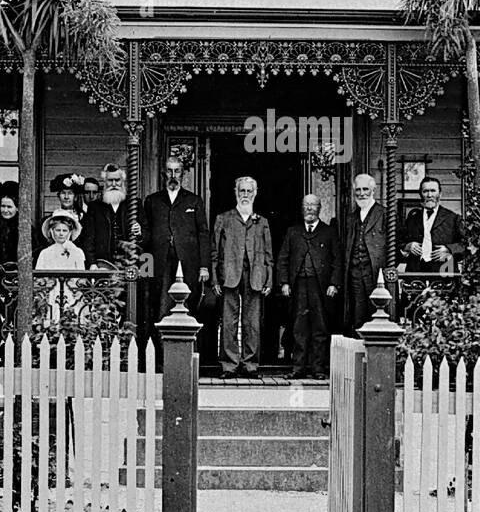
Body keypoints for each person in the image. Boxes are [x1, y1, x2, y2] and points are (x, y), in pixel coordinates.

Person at [212, 176, 273, 377]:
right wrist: (214, 278)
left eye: (249, 191)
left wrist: (269, 278)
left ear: (255, 194)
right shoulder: (224, 218)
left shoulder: (262, 221)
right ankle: (229, 365)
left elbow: (268, 254)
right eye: (242, 191)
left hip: (255, 275)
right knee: (228, 321)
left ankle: (250, 365)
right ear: (236, 193)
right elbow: (214, 252)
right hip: (229, 275)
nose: (245, 195)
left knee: (252, 322)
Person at [277, 194, 343, 379]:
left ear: (320, 208)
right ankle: (298, 368)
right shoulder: (293, 232)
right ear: (302, 208)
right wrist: (284, 282)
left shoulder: (329, 232)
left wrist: (334, 283)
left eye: (313, 205)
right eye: (307, 205)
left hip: (320, 287)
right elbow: (283, 259)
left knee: (320, 327)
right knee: (298, 327)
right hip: (298, 286)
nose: (310, 209)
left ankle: (318, 369)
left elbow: (338, 260)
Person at [140, 155, 211, 322]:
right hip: (160, 261)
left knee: (188, 305)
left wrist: (204, 267)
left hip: (187, 262)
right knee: (161, 306)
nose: (173, 175)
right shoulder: (152, 201)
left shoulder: (194, 200)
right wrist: (145, 268)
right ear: (164, 174)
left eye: (177, 171)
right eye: (170, 171)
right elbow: (146, 236)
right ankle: (160, 348)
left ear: (183, 174)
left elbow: (203, 233)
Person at [342, 172, 389, 331]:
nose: (362, 193)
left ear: (373, 191)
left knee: (375, 311)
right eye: (358, 190)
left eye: (365, 189)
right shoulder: (351, 217)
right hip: (355, 272)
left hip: (375, 272)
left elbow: (393, 246)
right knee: (357, 313)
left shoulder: (384, 214)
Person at [399, 176, 466, 274]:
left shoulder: (452, 218)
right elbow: (399, 242)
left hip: (444, 274)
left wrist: (449, 249)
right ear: (421, 194)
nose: (429, 195)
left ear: (440, 194)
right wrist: (407, 246)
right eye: (425, 191)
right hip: (416, 275)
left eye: (433, 191)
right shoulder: (412, 219)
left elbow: (466, 244)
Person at [82, 163, 141, 268]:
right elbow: (89, 238)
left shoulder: (134, 204)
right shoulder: (94, 207)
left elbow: (146, 233)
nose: (114, 184)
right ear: (105, 182)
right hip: (103, 263)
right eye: (110, 180)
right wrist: (92, 263)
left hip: (128, 263)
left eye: (117, 180)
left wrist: (140, 232)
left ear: (122, 182)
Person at [35, 172, 85, 258]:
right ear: (58, 196)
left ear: (75, 197)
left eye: (70, 193)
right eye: (63, 193)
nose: (66, 197)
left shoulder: (84, 220)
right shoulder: (48, 221)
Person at [0, 180, 21, 269]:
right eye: (3, 206)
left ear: (17, 208)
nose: (5, 210)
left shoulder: (24, 227)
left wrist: (18, 264)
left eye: (9, 207)